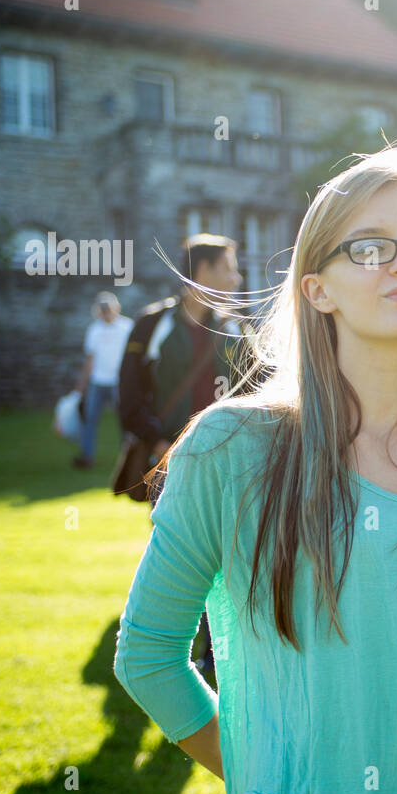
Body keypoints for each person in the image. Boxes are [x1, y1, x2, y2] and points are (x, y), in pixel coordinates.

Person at [113, 142, 397, 794]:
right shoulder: (231, 447)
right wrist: (268, 769)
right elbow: (148, 655)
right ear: (317, 288)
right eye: (370, 246)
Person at [117, 233, 244, 681]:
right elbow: (130, 399)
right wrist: (159, 447)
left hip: (227, 464)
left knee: (226, 558)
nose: (237, 277)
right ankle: (155, 652)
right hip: (166, 462)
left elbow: (259, 392)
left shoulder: (234, 328)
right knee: (177, 554)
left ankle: (214, 654)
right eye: (229, 267)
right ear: (204, 271)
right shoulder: (151, 327)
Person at [72, 291, 134, 469]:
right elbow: (89, 360)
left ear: (116, 308)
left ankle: (128, 458)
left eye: (109, 309)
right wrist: (81, 387)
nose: (106, 312)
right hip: (98, 382)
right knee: (89, 419)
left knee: (125, 420)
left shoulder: (127, 327)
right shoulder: (94, 330)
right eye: (103, 309)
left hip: (119, 382)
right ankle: (87, 456)